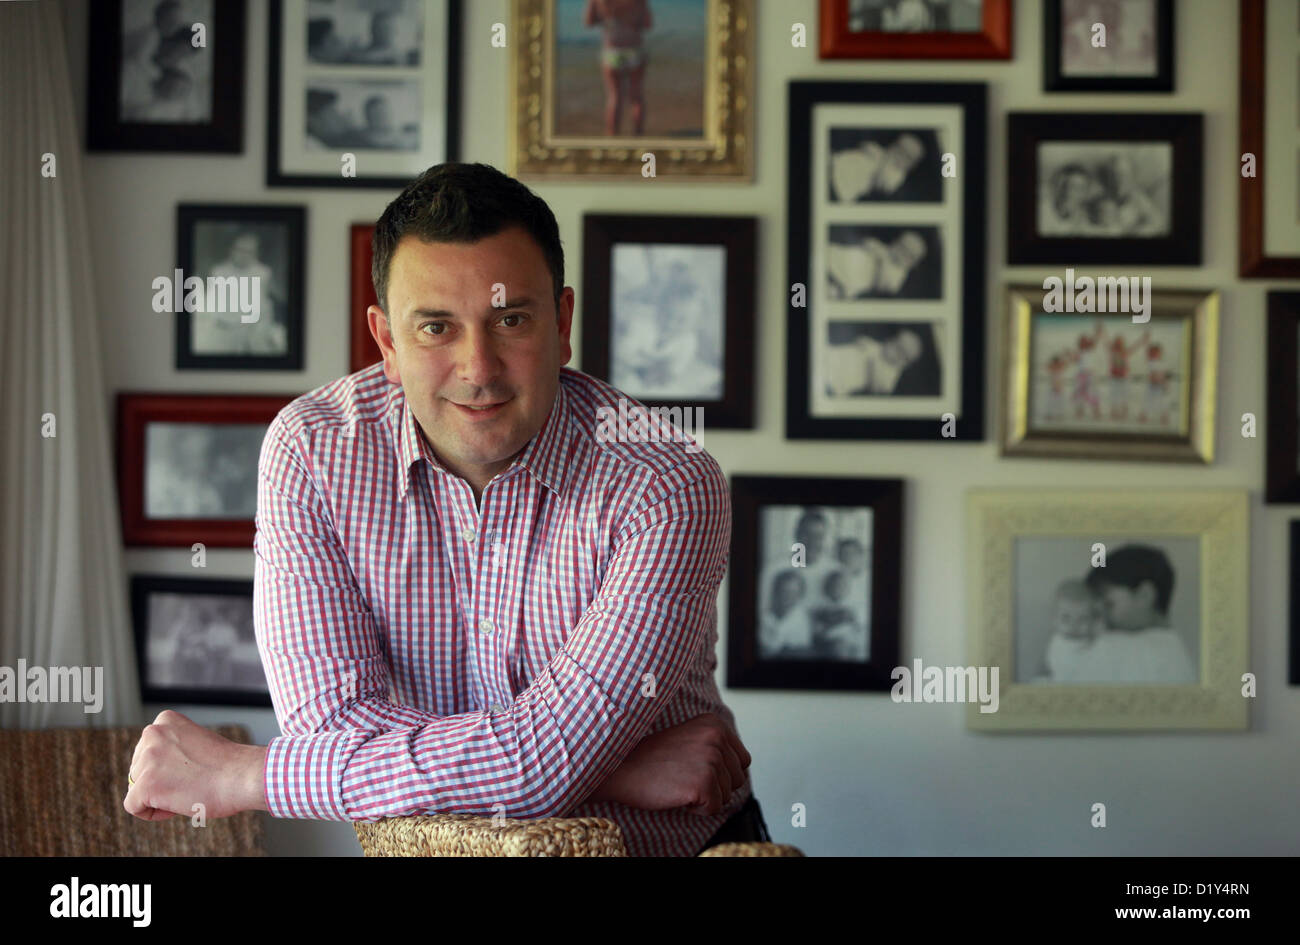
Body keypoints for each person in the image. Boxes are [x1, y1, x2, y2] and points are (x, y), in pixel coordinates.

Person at [124, 162, 766, 857]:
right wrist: (610, 767)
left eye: (511, 319)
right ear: (387, 341)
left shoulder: (668, 484)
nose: (478, 367)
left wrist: (249, 775)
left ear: (564, 321)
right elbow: (333, 731)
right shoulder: (311, 454)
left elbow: (541, 762)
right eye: (436, 327)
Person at [1074, 545, 1197, 683]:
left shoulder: (1119, 648)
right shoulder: (1176, 651)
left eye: (1109, 604)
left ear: (1145, 595)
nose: (1100, 617)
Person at [583, 0, 653, 136]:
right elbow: (647, 24)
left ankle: (613, 139)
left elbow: (589, 22)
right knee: (636, 97)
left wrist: (608, 19)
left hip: (612, 50)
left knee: (614, 97)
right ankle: (638, 137)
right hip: (634, 48)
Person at [825, 326, 924, 396]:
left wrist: (872, 365)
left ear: (903, 363)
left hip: (845, 378)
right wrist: (863, 341)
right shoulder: (880, 347)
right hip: (843, 355)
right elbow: (865, 342)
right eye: (894, 339)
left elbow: (875, 388)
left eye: (897, 347)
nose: (890, 342)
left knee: (835, 376)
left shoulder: (891, 375)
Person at [1039, 578, 1102, 682]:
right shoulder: (1056, 642)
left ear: (1092, 620)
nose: (1074, 625)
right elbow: (1048, 667)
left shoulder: (1093, 638)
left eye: (1083, 618)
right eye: (1066, 618)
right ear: (1054, 619)